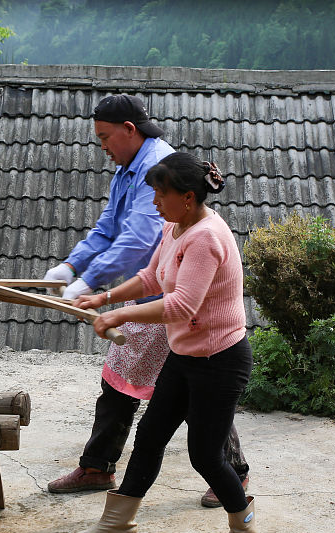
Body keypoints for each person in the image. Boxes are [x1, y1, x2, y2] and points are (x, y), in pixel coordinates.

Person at [42, 94, 250, 507]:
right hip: (168, 315)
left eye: (105, 137)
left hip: (191, 327)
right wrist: (76, 270)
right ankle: (108, 490)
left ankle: (236, 485)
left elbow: (145, 251)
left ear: (129, 130)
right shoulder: (139, 181)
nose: (102, 147)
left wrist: (101, 296)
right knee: (140, 406)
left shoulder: (188, 211)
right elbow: (137, 258)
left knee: (200, 425)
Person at [70, 152, 258, 533]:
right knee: (150, 435)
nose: (154, 202)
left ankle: (243, 530)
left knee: (206, 453)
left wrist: (118, 314)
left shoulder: (206, 237)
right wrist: (105, 297)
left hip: (221, 361)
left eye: (160, 193)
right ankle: (118, 522)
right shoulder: (175, 227)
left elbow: (182, 305)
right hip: (185, 355)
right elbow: (152, 278)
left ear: (187, 197)